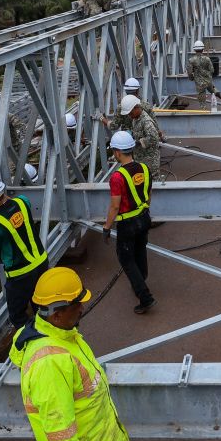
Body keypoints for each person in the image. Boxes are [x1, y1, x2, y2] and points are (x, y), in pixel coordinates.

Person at [11, 267, 129, 441]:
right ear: (57, 313)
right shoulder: (51, 362)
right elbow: (58, 426)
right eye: (77, 304)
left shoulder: (55, 334)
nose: (82, 308)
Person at [0, 175, 50, 328]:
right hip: (41, 262)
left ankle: (30, 338)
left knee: (17, 315)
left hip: (20, 275)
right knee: (41, 304)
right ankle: (47, 330)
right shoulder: (23, 201)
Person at [101, 131, 155, 314]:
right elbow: (148, 194)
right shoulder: (144, 168)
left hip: (128, 224)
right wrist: (144, 211)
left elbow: (115, 206)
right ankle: (142, 278)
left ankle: (145, 297)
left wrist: (107, 227)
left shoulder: (117, 177)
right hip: (144, 217)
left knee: (126, 258)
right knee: (140, 250)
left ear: (117, 152)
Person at [188, 41, 221, 108]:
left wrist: (191, 78)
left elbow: (190, 72)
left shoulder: (191, 60)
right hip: (208, 80)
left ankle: (203, 107)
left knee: (201, 94)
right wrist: (208, 75)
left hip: (199, 82)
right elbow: (212, 70)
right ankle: (220, 94)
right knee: (212, 89)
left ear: (194, 50)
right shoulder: (207, 59)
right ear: (203, 49)